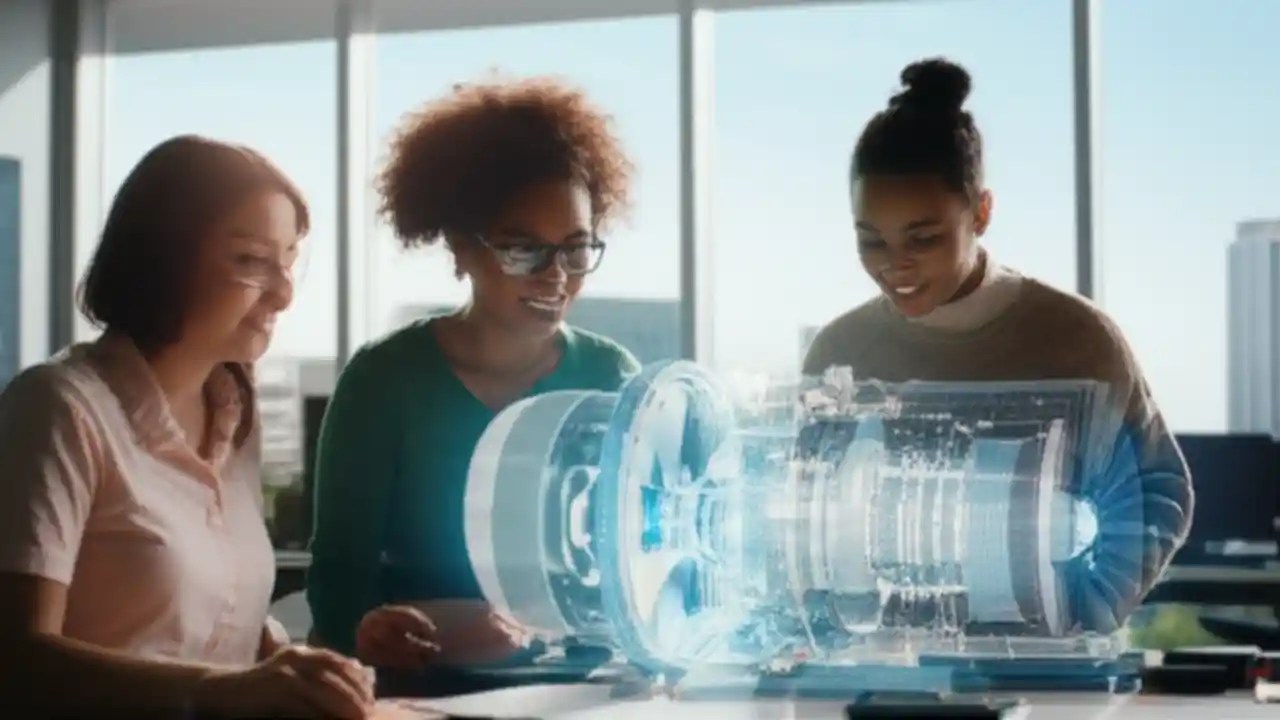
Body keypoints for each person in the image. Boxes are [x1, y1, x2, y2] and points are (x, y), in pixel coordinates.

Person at [802, 58, 1193, 632]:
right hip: (884, 655)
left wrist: (1086, 613)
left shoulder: (1078, 338)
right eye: (871, 241)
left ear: (981, 212)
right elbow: (805, 512)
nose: (895, 264)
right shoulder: (840, 350)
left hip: (1037, 661)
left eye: (923, 238)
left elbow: (1160, 489)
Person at [0, 135, 374, 719]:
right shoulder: (59, 408)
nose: (283, 293)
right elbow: (15, 661)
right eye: (250, 260)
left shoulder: (234, 413)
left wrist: (310, 665)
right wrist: (219, 691)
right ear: (162, 260)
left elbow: (215, 625)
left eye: (288, 261)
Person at [306, 75, 641, 669]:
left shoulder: (611, 377)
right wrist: (375, 632)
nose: (556, 275)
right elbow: (336, 588)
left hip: (581, 686)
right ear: (461, 248)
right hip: (416, 685)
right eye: (522, 249)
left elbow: (637, 567)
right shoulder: (384, 381)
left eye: (576, 248)